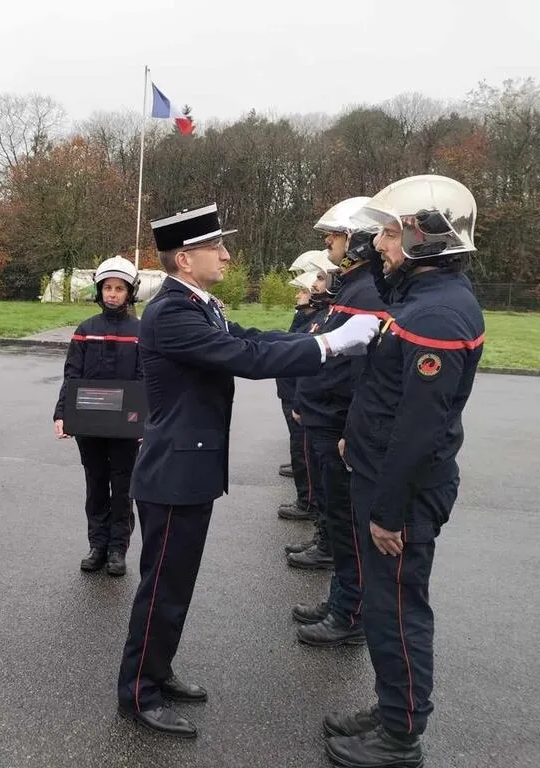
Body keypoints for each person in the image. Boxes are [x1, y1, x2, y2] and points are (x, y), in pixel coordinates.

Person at [115, 203, 381, 738]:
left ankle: (157, 670)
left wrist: (323, 339)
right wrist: (331, 345)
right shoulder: (171, 312)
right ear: (185, 259)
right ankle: (138, 692)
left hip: (188, 468)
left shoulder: (196, 304)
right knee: (162, 586)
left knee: (176, 584)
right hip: (172, 472)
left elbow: (255, 338)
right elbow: (248, 359)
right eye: (218, 247)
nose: (228, 254)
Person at [321, 176, 485, 768]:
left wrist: (389, 512)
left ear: (425, 237)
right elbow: (386, 392)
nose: (380, 243)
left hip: (403, 496)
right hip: (380, 476)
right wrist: (353, 439)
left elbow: (419, 428)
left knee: (396, 611)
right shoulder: (420, 295)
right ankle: (394, 706)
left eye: (390, 232)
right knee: (388, 609)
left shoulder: (438, 312)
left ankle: (401, 735)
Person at [292, 199, 390, 646]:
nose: (328, 243)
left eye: (334, 235)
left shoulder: (365, 291)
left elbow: (357, 374)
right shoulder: (351, 288)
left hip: (337, 424)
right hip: (326, 418)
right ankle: (341, 601)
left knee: (348, 526)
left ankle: (349, 613)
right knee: (337, 517)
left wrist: (349, 430)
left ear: (357, 241)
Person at [53, 255, 143, 577]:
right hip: (89, 426)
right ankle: (97, 545)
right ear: (99, 291)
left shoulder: (140, 332)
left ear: (130, 292)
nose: (113, 294)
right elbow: (71, 375)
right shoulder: (85, 331)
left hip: (125, 429)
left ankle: (118, 548)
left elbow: (146, 379)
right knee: (95, 485)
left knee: (122, 487)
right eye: (108, 288)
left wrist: (144, 421)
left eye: (119, 288)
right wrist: (62, 414)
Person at [277, 251, 338, 524]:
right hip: (297, 396)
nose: (311, 287)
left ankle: (308, 502)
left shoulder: (325, 316)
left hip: (307, 402)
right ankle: (311, 504)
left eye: (320, 278)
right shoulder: (314, 316)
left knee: (310, 457)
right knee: (304, 453)